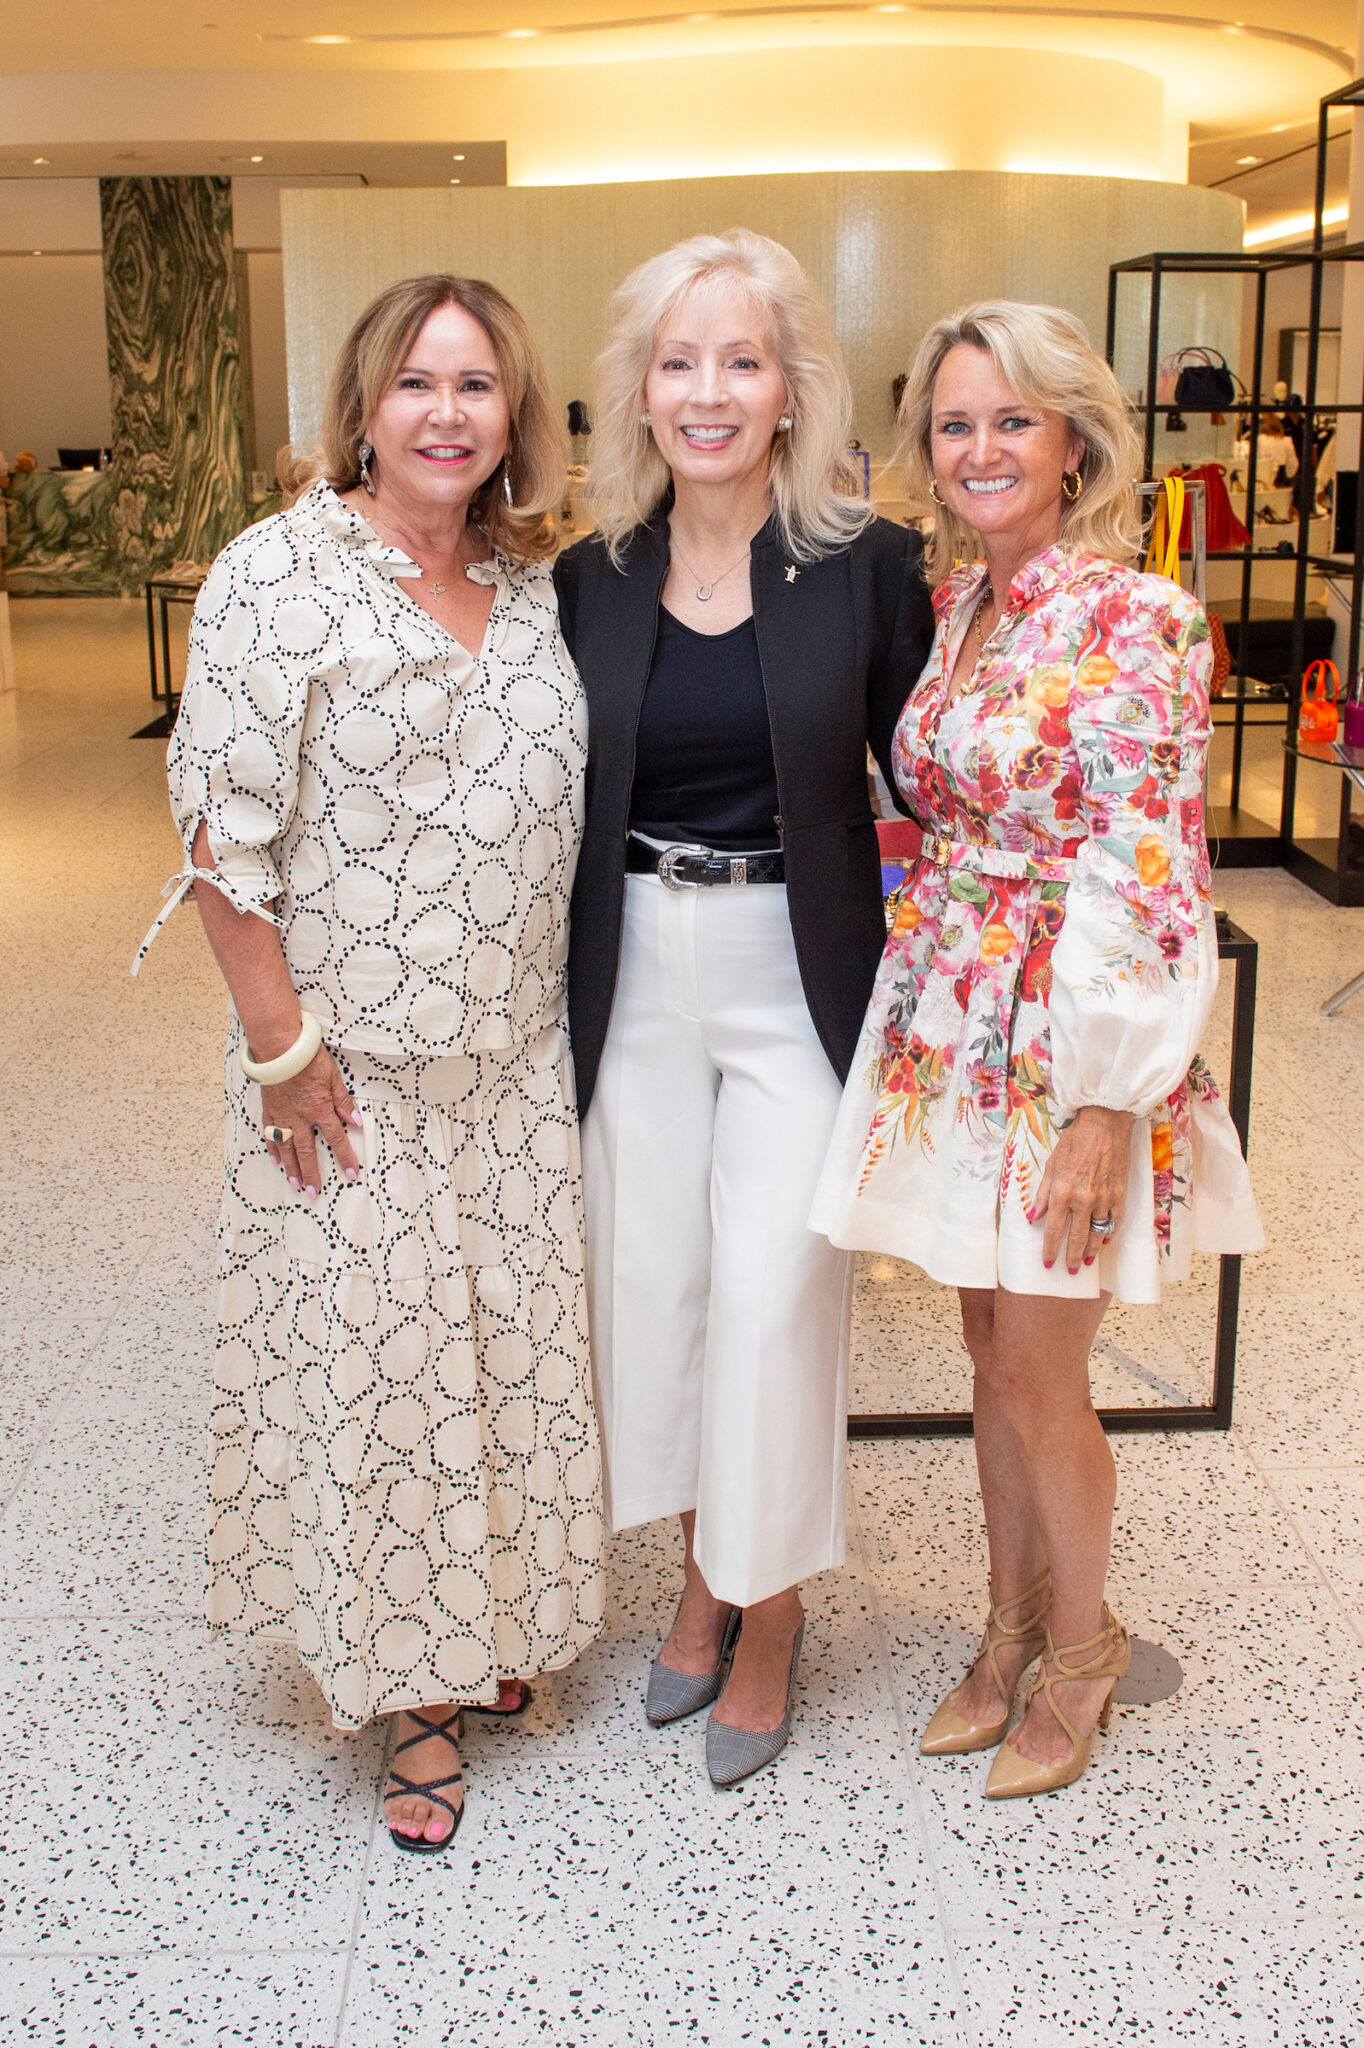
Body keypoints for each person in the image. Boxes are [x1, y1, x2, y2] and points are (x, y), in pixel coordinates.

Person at [134, 273, 604, 1852]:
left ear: (514, 414)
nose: (448, 415)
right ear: (364, 404)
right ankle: (410, 1699)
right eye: (417, 384)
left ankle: (486, 1628)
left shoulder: (534, 581)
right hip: (353, 1067)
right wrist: (282, 1048)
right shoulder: (279, 572)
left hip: (513, 1060)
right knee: (391, 1379)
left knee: (505, 1357)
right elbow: (222, 840)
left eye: (478, 387)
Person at [811, 300, 1263, 1800]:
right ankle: (1006, 1628)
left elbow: (1152, 867)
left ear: (1077, 440)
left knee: (1042, 1369)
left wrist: (1105, 1106)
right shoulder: (956, 610)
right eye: (956, 423)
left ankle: (1085, 1646)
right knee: (987, 1345)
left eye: (1014, 419)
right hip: (952, 1022)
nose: (983, 447)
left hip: (1071, 1036)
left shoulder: (1141, 618)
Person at [554, 229, 933, 1787]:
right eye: (679, 359)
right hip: (634, 961)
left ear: (792, 388)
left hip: (794, 961)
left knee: (778, 1297)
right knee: (661, 1287)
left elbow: (937, 775)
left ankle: (766, 1612)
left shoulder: (868, 564)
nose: (708, 391)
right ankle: (705, 1576)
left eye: (743, 359)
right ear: (638, 391)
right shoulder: (590, 576)